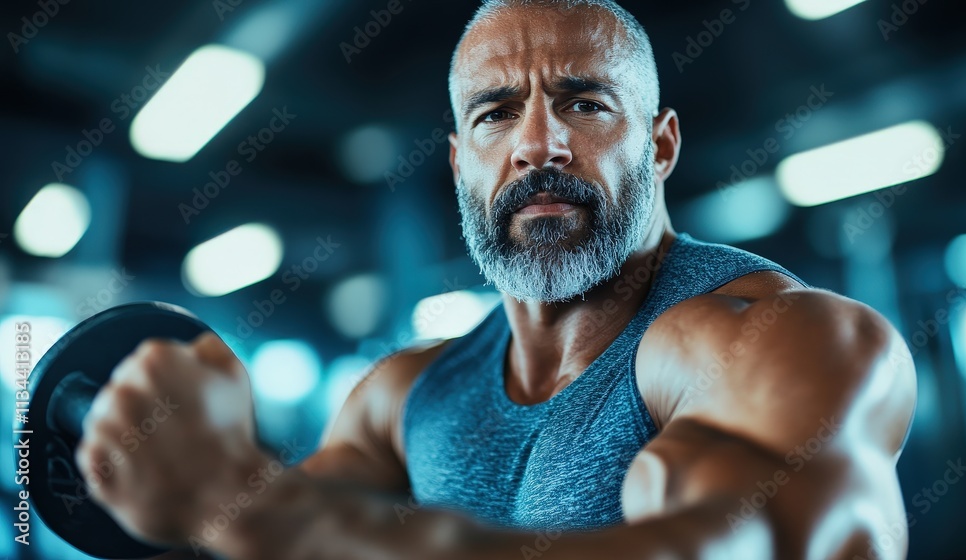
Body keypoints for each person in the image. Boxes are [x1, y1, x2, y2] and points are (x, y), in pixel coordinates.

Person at [77, 1, 917, 558]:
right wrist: (158, 467)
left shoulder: (776, 341)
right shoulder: (403, 397)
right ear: (457, 161)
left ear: (660, 146)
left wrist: (250, 508)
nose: (538, 143)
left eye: (586, 104)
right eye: (495, 112)